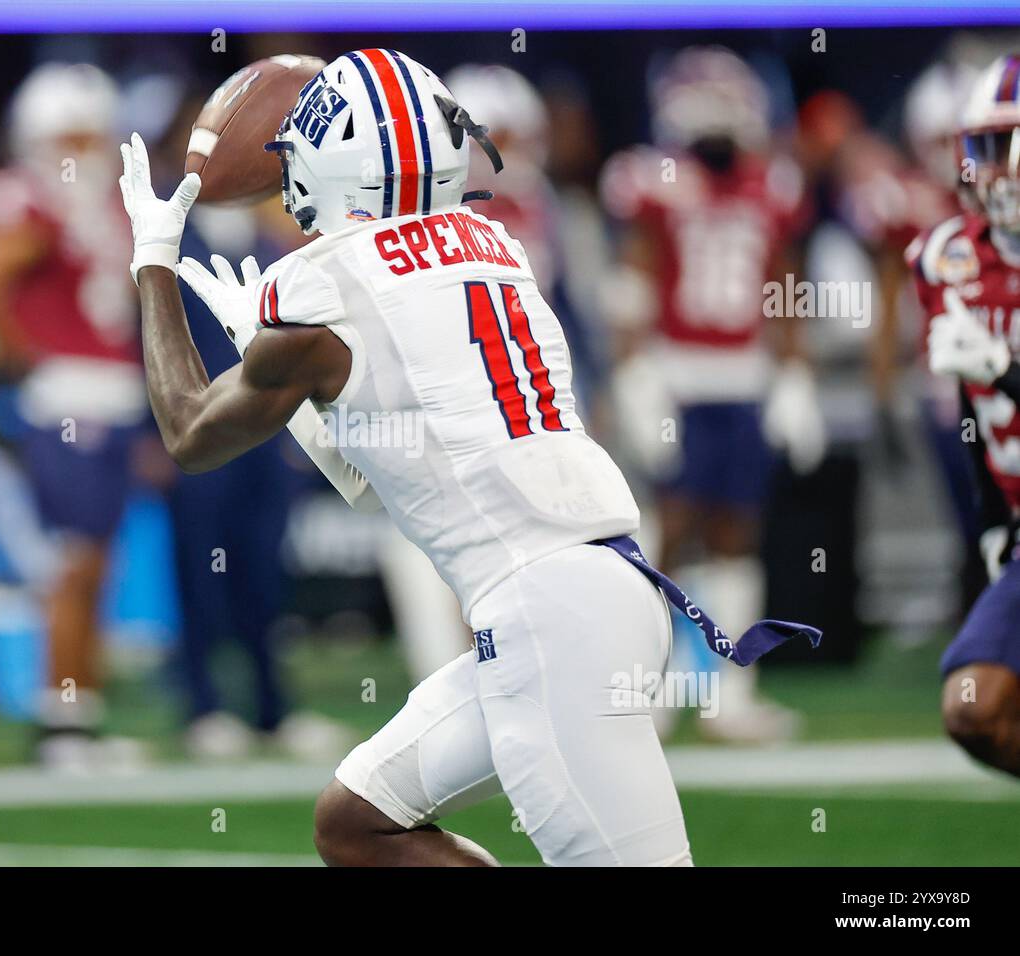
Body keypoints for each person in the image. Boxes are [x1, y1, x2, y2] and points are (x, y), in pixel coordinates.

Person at [119, 49, 817, 865]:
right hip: (598, 594)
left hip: (545, 619)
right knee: (357, 821)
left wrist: (154, 263)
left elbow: (190, 431)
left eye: (300, 146)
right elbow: (382, 472)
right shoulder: (491, 242)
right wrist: (295, 375)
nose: (289, 165)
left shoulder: (320, 286)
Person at [599, 47, 819, 740]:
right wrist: (634, 372)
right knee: (672, 533)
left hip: (743, 375)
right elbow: (634, 276)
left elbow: (783, 287)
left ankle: (733, 692)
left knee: (737, 536)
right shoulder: (654, 181)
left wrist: (793, 373)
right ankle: (656, 687)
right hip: (679, 375)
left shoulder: (772, 185)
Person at [0, 63, 144, 769]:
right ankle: (60, 718)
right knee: (73, 560)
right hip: (66, 395)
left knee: (98, 559)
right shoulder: (29, 193)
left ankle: (82, 712)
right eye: (73, 134)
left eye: (93, 132)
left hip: (111, 390)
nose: (88, 145)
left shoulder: (106, 196)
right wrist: (30, 360)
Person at [911, 53, 1020, 778]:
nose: (995, 169)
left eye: (1006, 146)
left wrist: (1007, 370)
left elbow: (994, 383)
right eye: (983, 147)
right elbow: (975, 414)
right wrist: (991, 524)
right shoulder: (945, 257)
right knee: (973, 708)